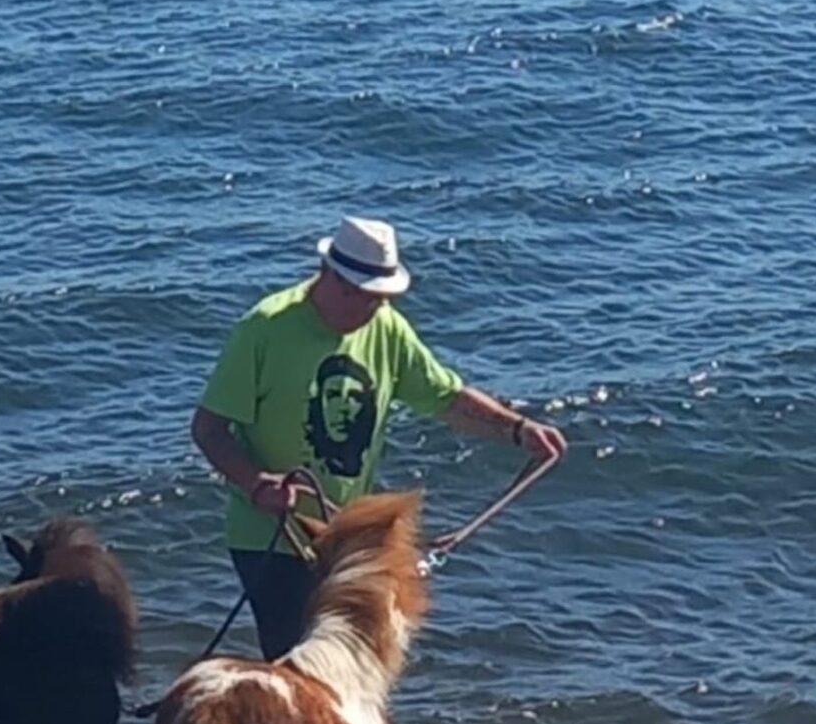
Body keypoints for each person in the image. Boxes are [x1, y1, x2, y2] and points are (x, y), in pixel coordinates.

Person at [191, 215, 567, 659]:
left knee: (360, 661)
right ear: (329, 275)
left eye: (377, 299)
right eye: (358, 296)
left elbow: (444, 396)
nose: (367, 309)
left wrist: (517, 429)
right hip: (270, 535)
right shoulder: (264, 329)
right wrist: (257, 484)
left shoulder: (386, 326)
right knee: (299, 663)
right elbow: (209, 430)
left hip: (347, 535)